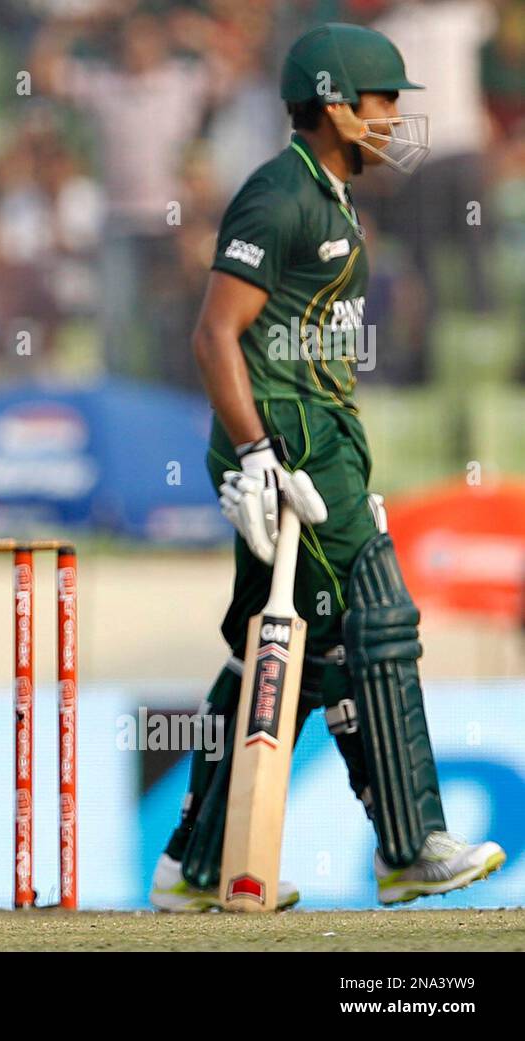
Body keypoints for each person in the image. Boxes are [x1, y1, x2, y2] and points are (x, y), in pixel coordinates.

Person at [149, 22, 505, 912]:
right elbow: (213, 335)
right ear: (337, 105)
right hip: (290, 452)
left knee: (283, 657)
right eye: (385, 101)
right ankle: (411, 843)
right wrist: (259, 457)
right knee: (375, 623)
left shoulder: (332, 195)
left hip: (318, 445)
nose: (393, 118)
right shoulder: (280, 198)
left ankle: (193, 864)